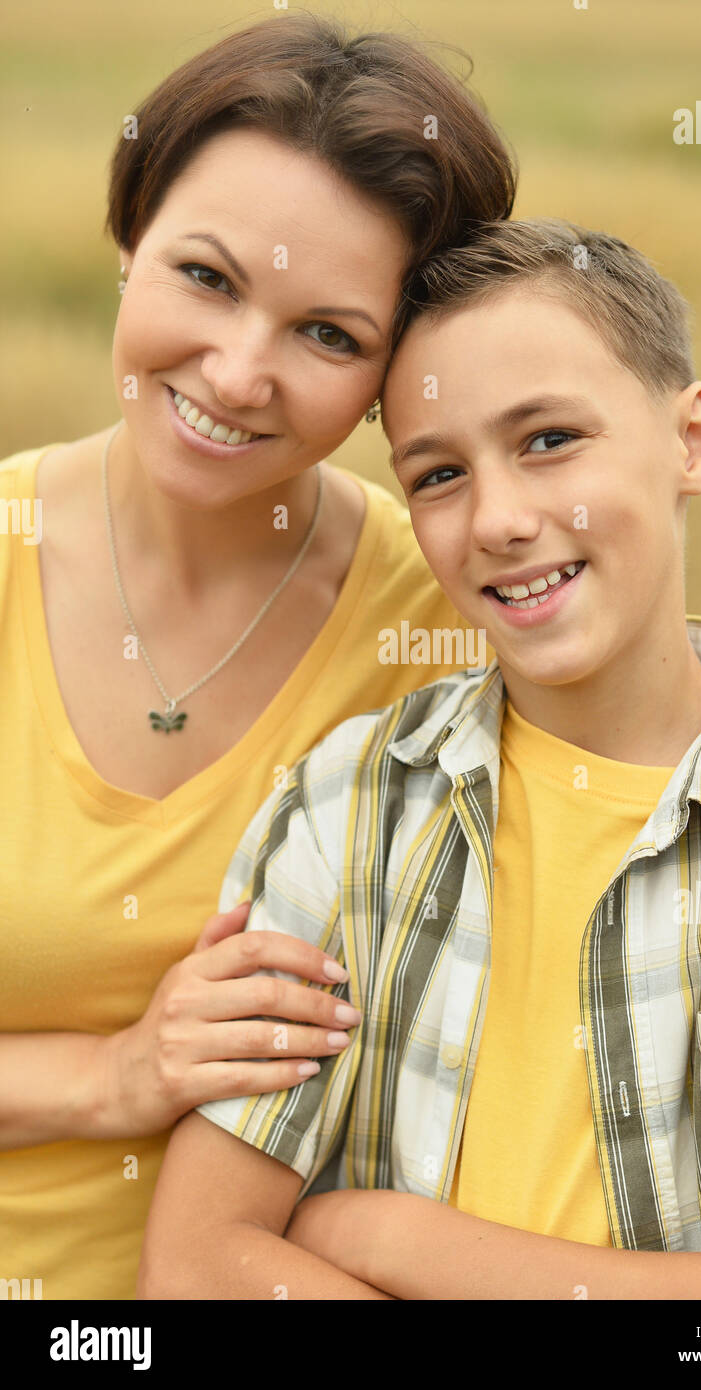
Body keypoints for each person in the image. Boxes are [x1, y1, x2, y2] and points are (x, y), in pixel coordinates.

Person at [139, 218, 701, 1299]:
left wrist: (388, 1237)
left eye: (547, 441)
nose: (499, 519)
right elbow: (195, 1267)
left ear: (694, 438)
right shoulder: (350, 802)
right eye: (435, 474)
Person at [0, 12, 517, 1300]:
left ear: (401, 370)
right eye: (207, 278)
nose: (236, 374)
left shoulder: (453, 617)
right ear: (129, 241)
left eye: (328, 335)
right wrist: (116, 1071)